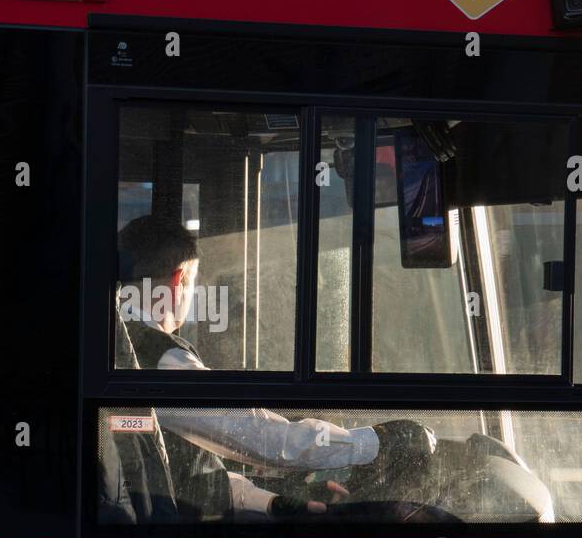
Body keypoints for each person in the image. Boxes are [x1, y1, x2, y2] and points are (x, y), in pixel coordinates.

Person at [114, 214, 433, 520]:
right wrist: (376, 442)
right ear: (178, 280)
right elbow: (263, 437)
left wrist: (275, 501)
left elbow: (187, 472)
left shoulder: (122, 344)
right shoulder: (160, 360)